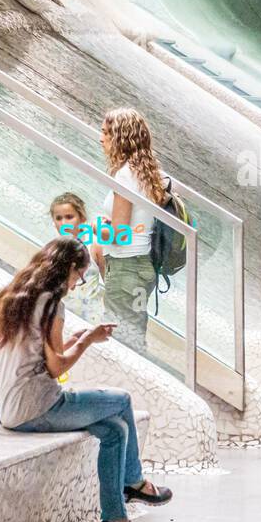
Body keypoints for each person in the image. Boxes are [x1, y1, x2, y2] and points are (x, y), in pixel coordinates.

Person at [0, 236, 171, 522]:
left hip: (13, 409)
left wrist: (72, 341)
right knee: (122, 400)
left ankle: (114, 520)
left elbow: (39, 356)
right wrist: (87, 341)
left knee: (114, 431)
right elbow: (56, 368)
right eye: (78, 276)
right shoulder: (51, 304)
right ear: (68, 268)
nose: (75, 284)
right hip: (39, 406)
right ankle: (134, 483)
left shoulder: (18, 296)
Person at [99, 108, 169, 356]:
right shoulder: (154, 175)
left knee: (123, 341)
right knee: (134, 333)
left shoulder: (125, 175)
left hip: (125, 267)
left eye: (106, 133)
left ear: (121, 138)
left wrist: (98, 229)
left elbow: (120, 234)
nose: (101, 139)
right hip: (145, 267)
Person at [50, 192, 107, 323]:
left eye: (69, 217)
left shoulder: (95, 244)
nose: (64, 223)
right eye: (58, 218)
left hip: (90, 317)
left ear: (82, 217)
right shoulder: (54, 247)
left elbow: (109, 284)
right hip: (60, 314)